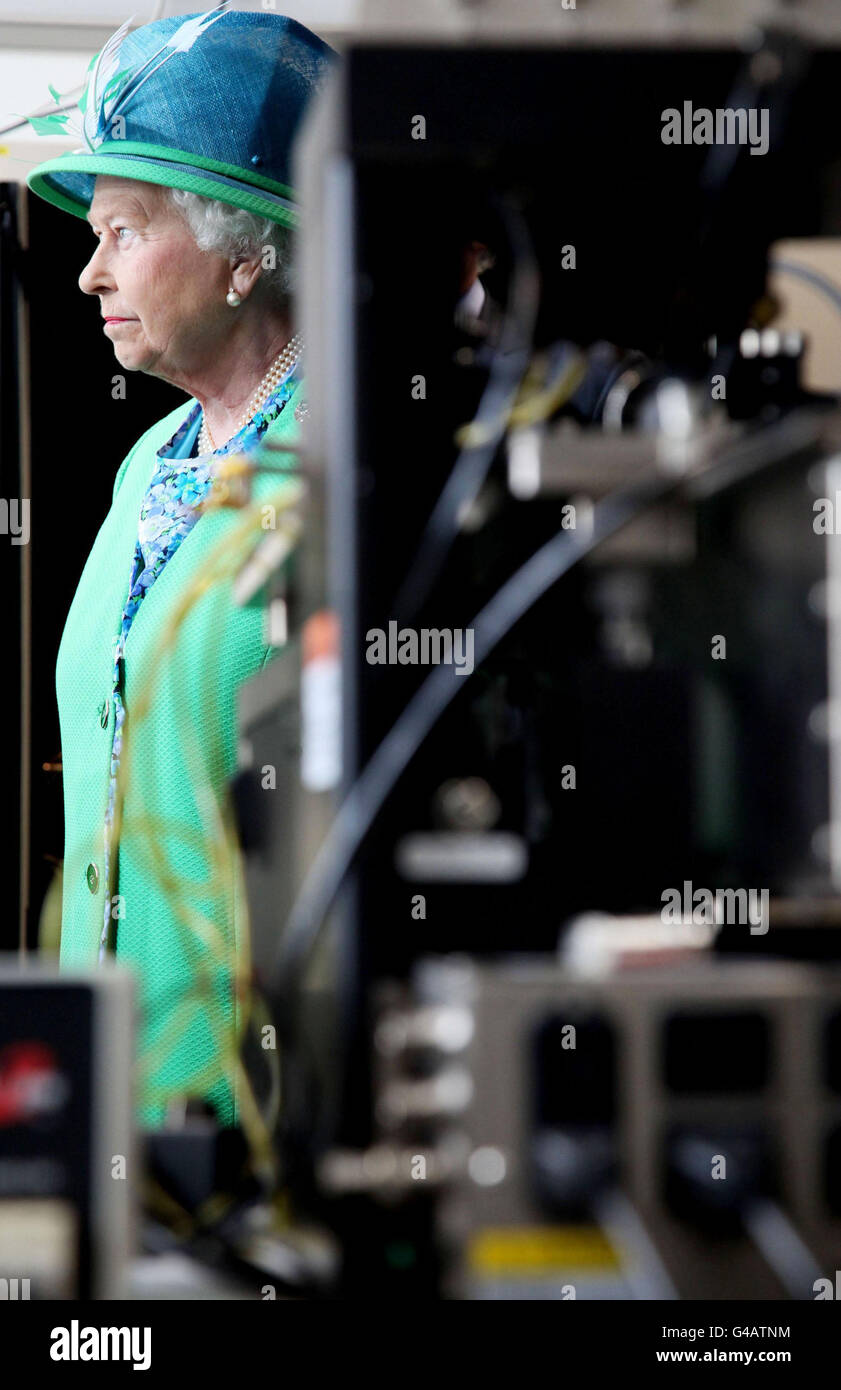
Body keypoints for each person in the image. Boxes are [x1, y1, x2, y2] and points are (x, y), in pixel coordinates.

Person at [26, 9, 337, 1127]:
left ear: (245, 248)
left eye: (124, 228)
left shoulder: (346, 470)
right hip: (107, 1101)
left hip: (264, 1117)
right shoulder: (149, 460)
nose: (87, 270)